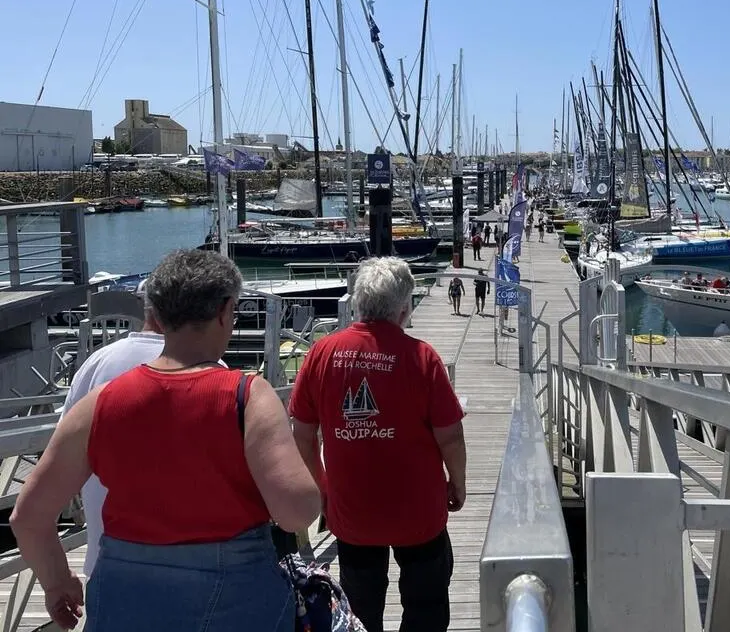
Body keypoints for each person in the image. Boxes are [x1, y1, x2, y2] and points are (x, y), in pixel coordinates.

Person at [12, 249, 321, 632]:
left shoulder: (101, 402)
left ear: (156, 313)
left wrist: (58, 583)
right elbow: (296, 511)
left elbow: (28, 516)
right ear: (225, 311)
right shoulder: (248, 397)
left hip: (123, 600)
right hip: (237, 600)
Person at [289, 257, 466, 632]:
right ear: (403, 308)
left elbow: (302, 433)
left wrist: (321, 487)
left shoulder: (322, 354)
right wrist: (458, 482)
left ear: (359, 302)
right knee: (426, 606)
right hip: (419, 512)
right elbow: (450, 435)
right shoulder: (422, 358)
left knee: (360, 610)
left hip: (353, 512)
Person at [60, 281, 166, 581]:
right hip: (188, 565)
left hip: (106, 557)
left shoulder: (97, 362)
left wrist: (56, 579)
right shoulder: (211, 368)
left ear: (144, 306)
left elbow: (62, 451)